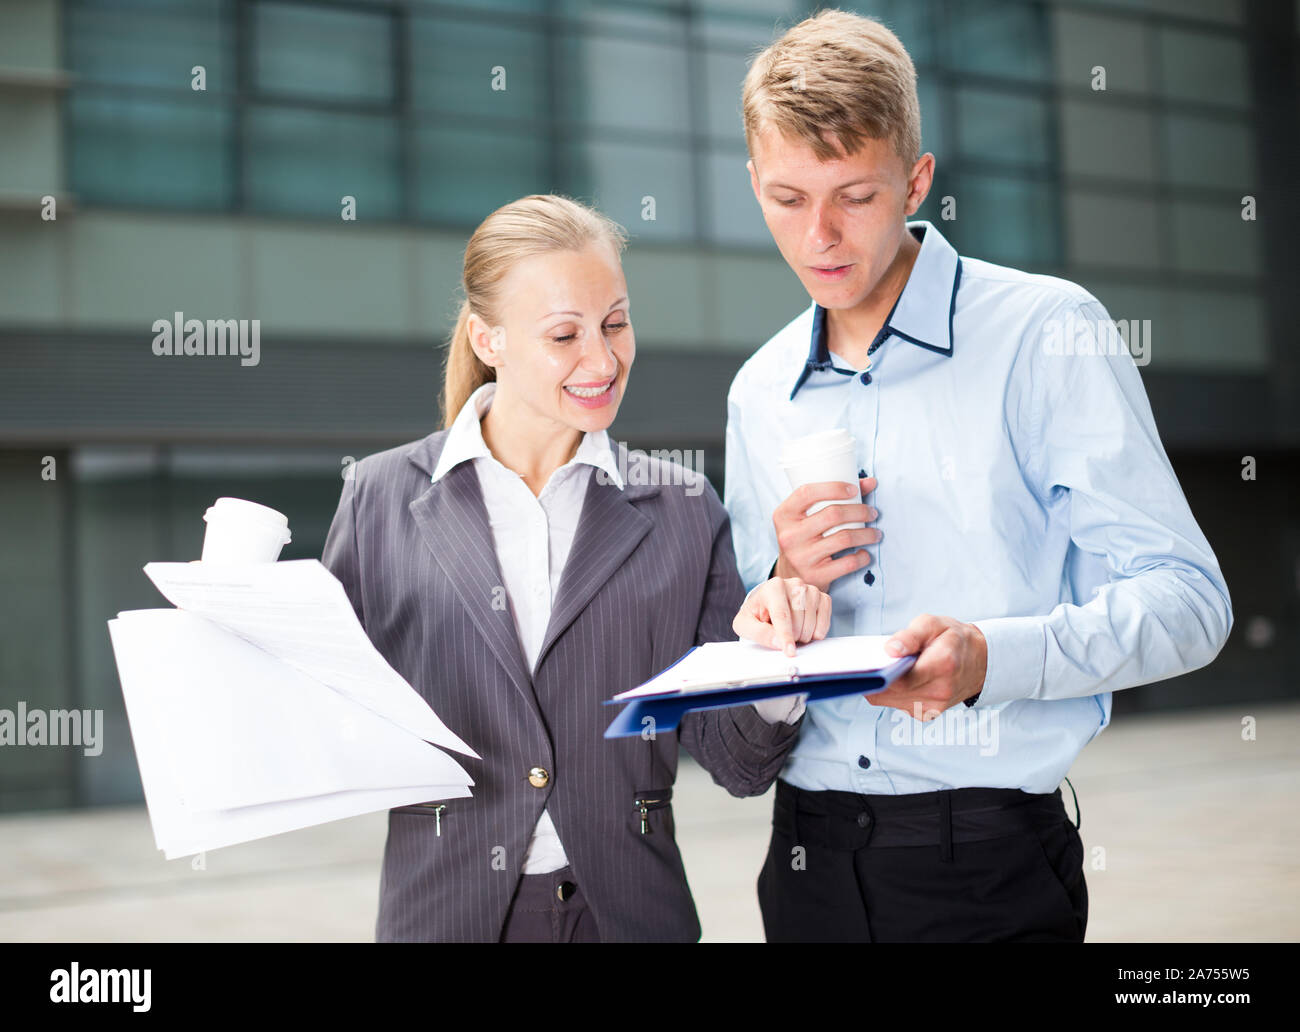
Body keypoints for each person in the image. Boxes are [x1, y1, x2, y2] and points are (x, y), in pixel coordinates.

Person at [725, 10, 1232, 942]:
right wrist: (781, 592)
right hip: (805, 862)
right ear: (754, 181)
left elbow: (1190, 604)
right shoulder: (759, 389)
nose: (820, 236)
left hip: (986, 866)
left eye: (855, 196)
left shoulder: (1047, 333)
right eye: (788, 198)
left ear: (917, 179)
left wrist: (991, 660)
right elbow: (761, 654)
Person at [321, 193, 826, 943]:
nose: (603, 359)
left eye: (616, 324)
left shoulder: (682, 506)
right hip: (445, 918)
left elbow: (737, 764)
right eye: (564, 334)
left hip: (627, 918)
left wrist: (776, 663)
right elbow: (326, 723)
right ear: (486, 339)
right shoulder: (381, 497)